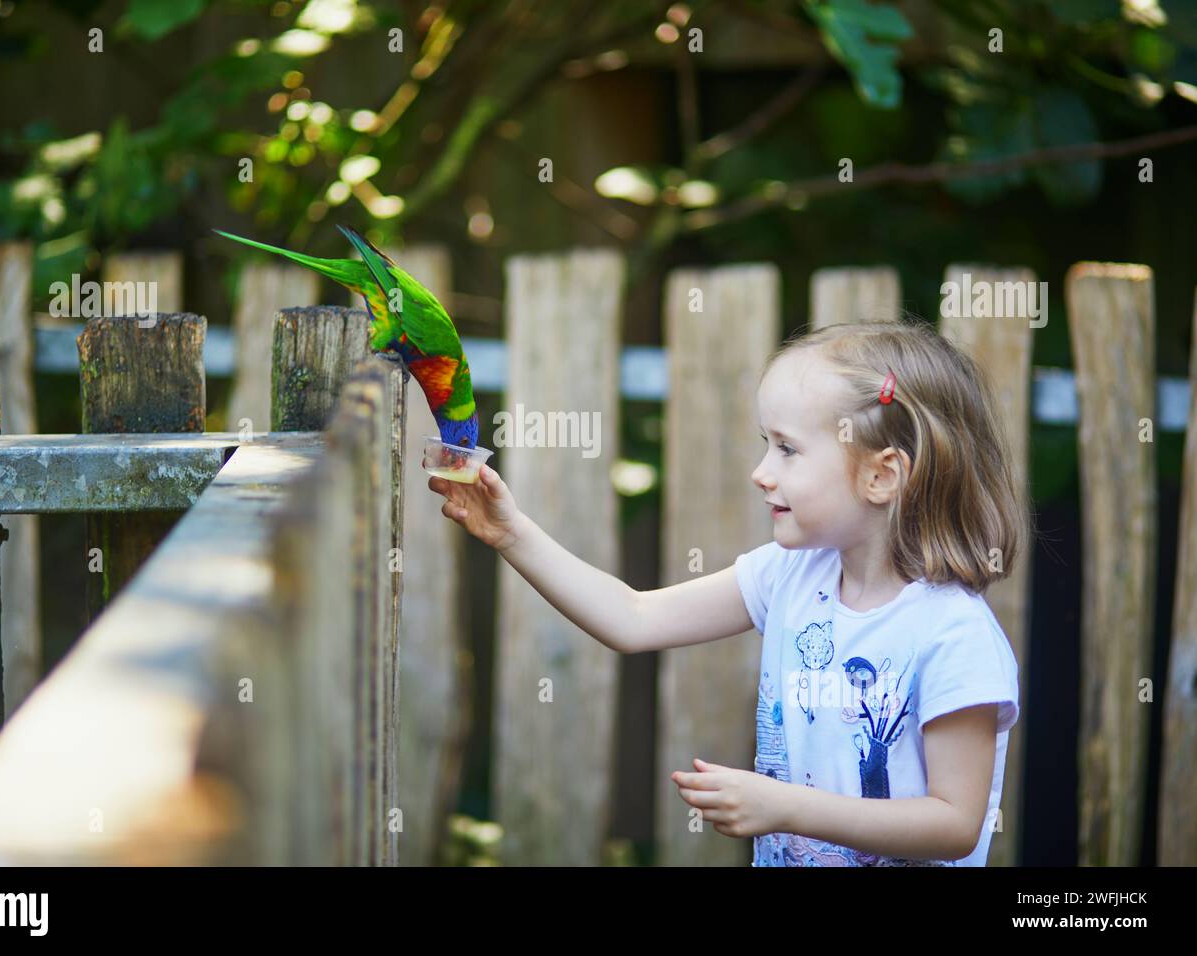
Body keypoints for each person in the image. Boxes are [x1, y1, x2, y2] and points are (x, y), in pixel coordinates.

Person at [427, 319, 1030, 866]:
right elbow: (633, 618)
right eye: (766, 443)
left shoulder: (954, 636)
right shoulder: (791, 576)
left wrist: (786, 807)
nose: (761, 471)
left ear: (881, 474)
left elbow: (956, 824)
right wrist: (511, 534)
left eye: (788, 449)